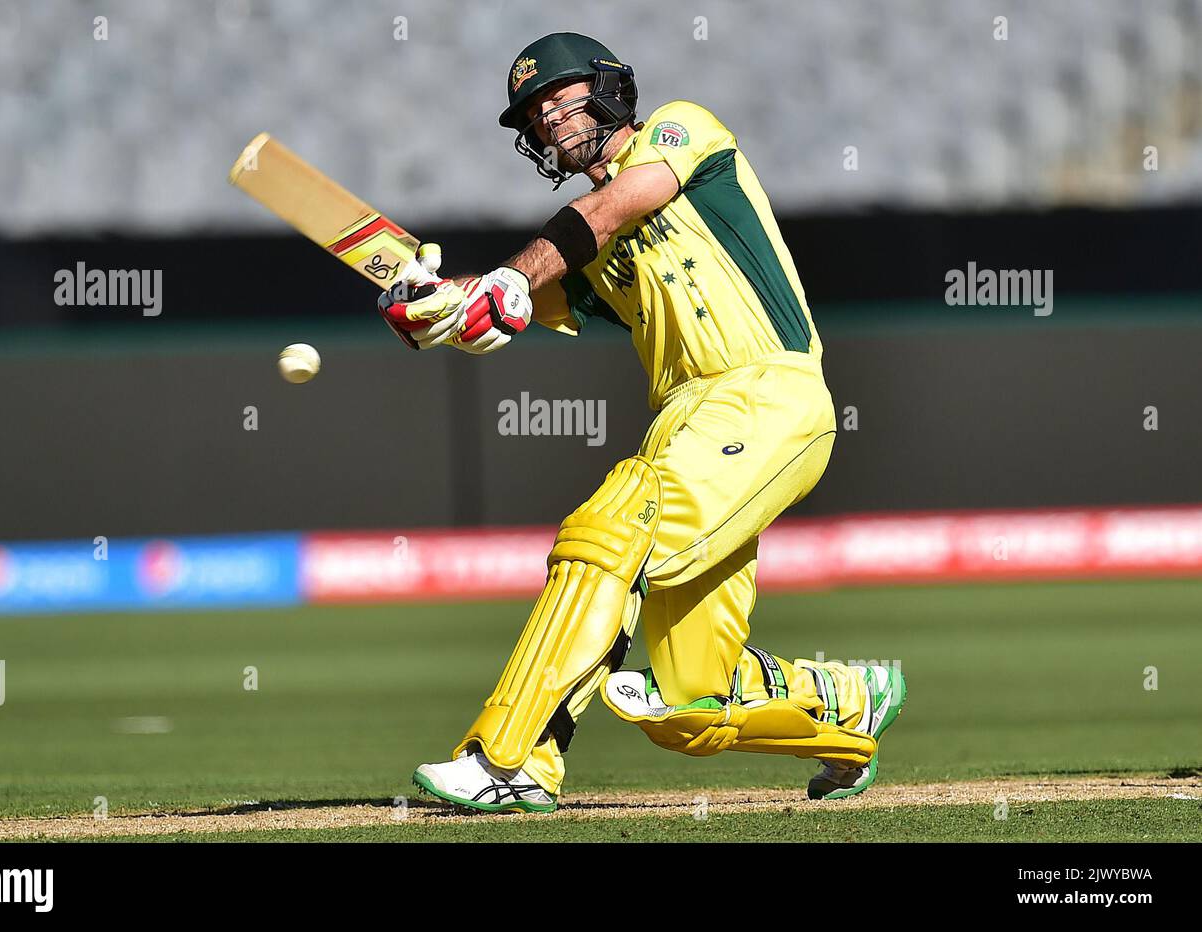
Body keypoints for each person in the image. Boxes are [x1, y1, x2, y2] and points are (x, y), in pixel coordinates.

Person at [378, 32, 905, 813]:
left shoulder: (680, 132)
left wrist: (510, 279)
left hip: (769, 392)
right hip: (685, 422)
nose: (549, 118)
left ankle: (510, 757)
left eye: (561, 96)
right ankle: (841, 704)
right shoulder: (581, 251)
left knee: (613, 520)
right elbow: (505, 304)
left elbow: (614, 205)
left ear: (610, 88)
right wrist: (434, 302)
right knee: (691, 702)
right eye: (533, 112)